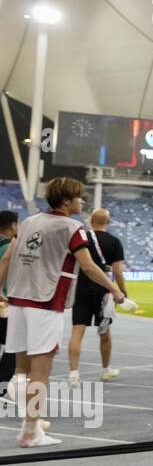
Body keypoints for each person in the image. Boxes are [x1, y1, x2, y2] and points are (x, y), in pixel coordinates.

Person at [0, 178, 124, 447]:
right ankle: (31, 431)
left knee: (20, 369)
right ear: (67, 201)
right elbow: (89, 267)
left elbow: (9, 257)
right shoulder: (73, 227)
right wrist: (114, 290)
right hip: (46, 302)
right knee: (41, 370)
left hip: (18, 299)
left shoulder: (30, 222)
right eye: (80, 198)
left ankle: (27, 423)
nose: (82, 202)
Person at [67, 207, 128, 385]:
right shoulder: (114, 241)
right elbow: (117, 270)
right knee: (105, 332)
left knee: (77, 331)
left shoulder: (82, 237)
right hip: (103, 291)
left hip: (81, 288)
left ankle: (73, 374)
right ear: (107, 222)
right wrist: (122, 290)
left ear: (91, 221)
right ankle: (105, 370)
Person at [0, 210, 19, 402]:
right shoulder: (8, 248)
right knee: (14, 346)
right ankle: (2, 385)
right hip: (4, 304)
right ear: (13, 226)